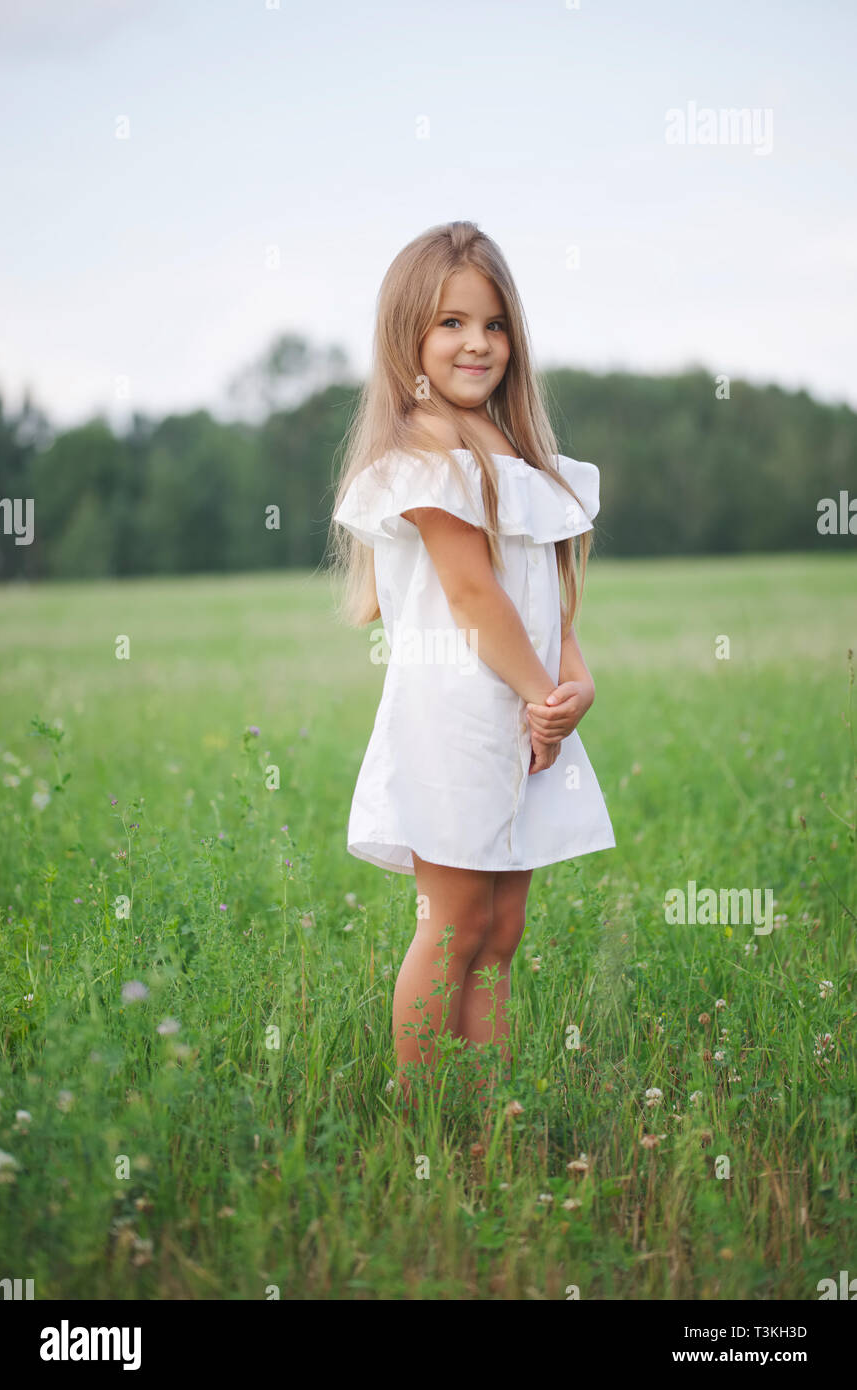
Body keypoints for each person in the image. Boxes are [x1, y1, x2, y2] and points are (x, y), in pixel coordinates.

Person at [328, 220, 616, 1110]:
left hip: (528, 711)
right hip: (455, 717)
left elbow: (549, 590)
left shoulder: (515, 449)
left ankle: (484, 1119)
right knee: (451, 927)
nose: (476, 343)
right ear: (407, 334)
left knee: (500, 931)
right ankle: (426, 1132)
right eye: (450, 323)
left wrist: (572, 684)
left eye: (492, 325)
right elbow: (474, 597)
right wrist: (541, 700)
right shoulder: (424, 451)